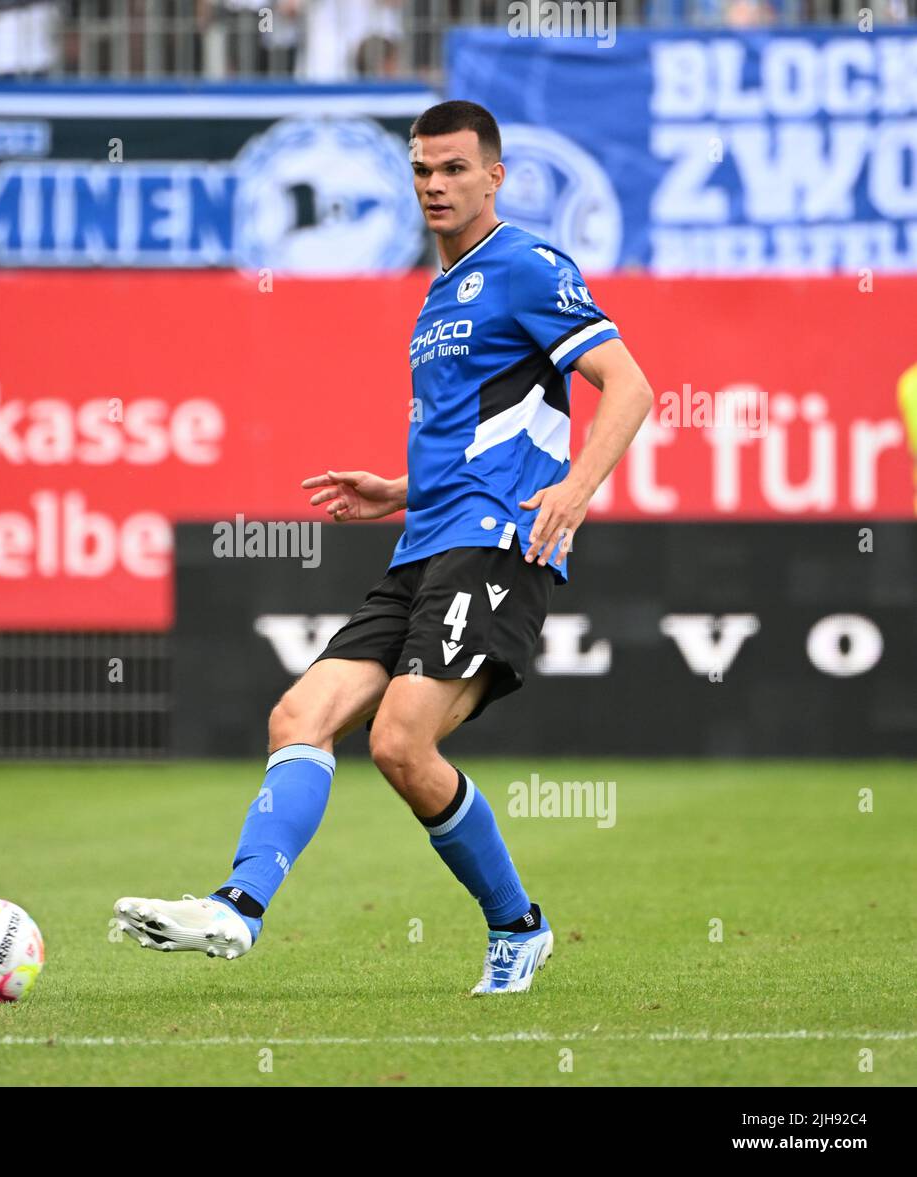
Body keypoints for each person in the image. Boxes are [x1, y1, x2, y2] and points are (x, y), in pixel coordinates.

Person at [114, 101, 653, 994]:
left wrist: (576, 487)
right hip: (424, 542)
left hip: (495, 543)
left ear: (494, 176)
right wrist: (399, 491)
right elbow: (489, 420)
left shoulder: (524, 264)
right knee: (300, 717)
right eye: (421, 170)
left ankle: (519, 928)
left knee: (402, 744)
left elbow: (630, 386)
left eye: (452, 169)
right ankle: (237, 909)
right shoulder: (439, 291)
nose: (435, 186)